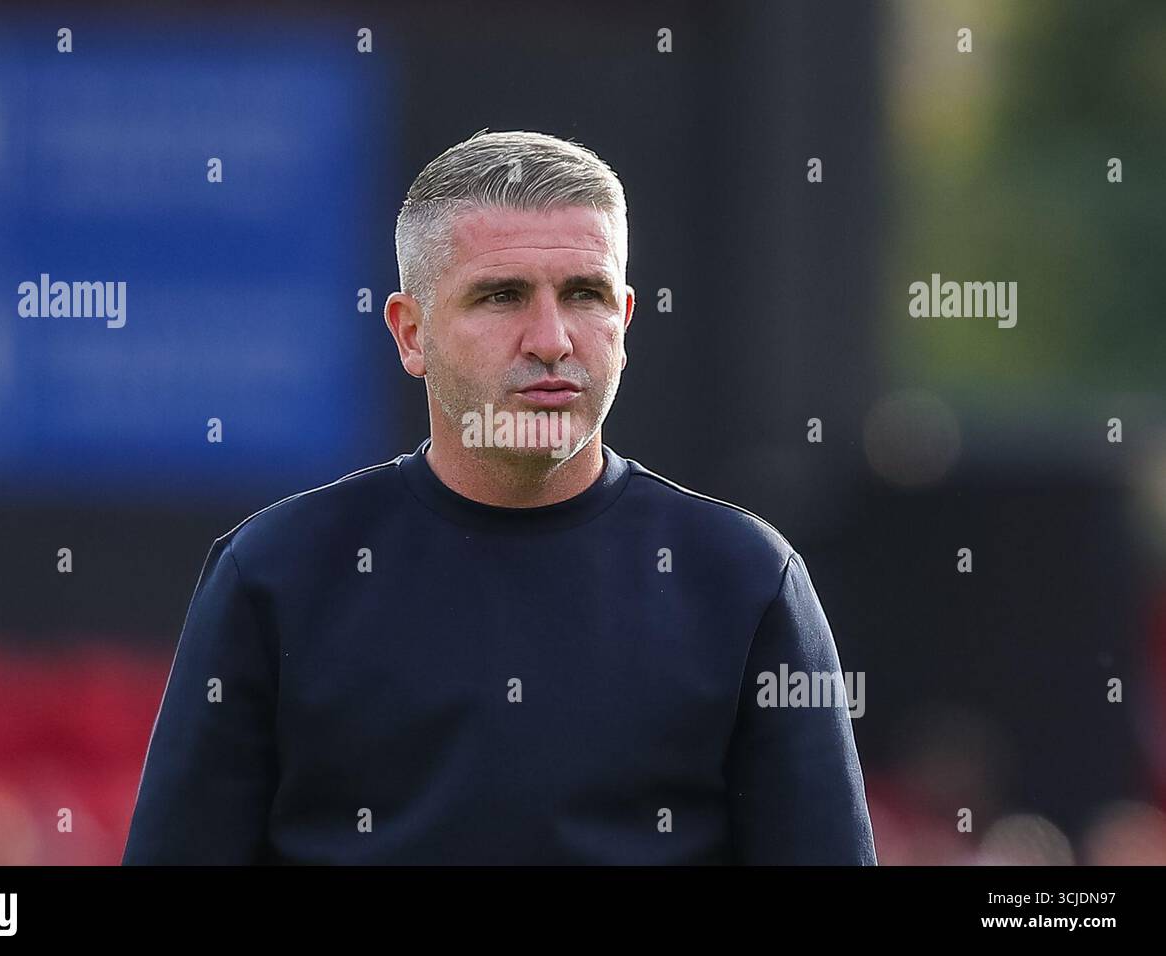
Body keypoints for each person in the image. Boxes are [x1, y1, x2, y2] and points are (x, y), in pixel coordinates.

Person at [122, 129, 877, 865]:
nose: (550, 338)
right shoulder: (277, 573)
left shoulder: (741, 580)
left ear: (625, 323)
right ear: (410, 333)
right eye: (501, 296)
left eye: (585, 294)